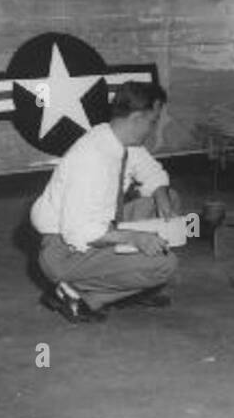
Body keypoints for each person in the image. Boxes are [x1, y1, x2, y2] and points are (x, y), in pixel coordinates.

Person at [31, 82, 179, 323]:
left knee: (168, 198)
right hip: (66, 251)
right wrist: (136, 238)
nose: (153, 128)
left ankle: (129, 282)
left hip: (99, 228)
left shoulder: (114, 137)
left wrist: (162, 198)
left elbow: (150, 171)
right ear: (137, 118)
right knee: (164, 265)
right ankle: (76, 295)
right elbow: (80, 231)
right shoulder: (92, 160)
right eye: (153, 121)